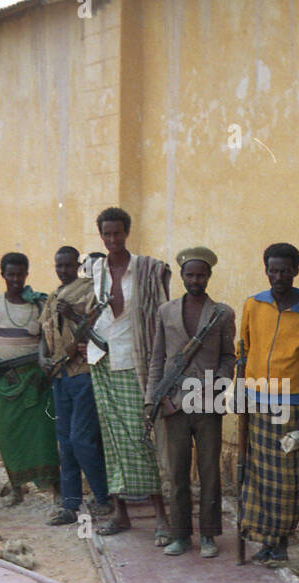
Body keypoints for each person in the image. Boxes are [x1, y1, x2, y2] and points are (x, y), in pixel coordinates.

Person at [86, 207, 171, 540]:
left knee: (140, 438)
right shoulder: (96, 269)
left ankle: (161, 516)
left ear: (127, 232)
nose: (112, 240)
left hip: (137, 361)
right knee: (112, 440)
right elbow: (96, 310)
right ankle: (121, 513)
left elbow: (162, 310)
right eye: (106, 234)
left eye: (117, 233)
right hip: (102, 361)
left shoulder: (147, 269)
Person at [146, 246, 236, 558]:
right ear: (182, 276)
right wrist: (154, 400)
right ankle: (180, 535)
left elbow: (229, 359)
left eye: (201, 275)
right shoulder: (166, 312)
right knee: (177, 473)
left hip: (208, 404)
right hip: (174, 405)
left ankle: (209, 535)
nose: (195, 279)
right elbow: (157, 359)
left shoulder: (222, 313)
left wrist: (213, 388)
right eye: (190, 274)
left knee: (210, 472)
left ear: (209, 276)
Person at [238, 242, 299, 564]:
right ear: (266, 270)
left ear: (296, 270)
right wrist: (240, 390)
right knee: (258, 476)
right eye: (273, 270)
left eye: (285, 270)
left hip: (289, 405)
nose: (279, 276)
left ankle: (282, 540)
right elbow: (243, 348)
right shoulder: (253, 305)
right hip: (257, 402)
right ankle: (265, 540)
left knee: (286, 479)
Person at [0, 252, 60, 508]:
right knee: (8, 435)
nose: (15, 279)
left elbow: (48, 341)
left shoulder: (40, 304)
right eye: (10, 274)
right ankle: (16, 489)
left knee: (43, 436)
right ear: (2, 274)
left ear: (27, 274)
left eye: (20, 274)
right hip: (5, 382)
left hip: (35, 381)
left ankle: (56, 489)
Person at [40, 248, 112, 525]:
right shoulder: (53, 295)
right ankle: (70, 504)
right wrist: (42, 360)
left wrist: (71, 314)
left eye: (68, 265)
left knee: (82, 440)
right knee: (66, 443)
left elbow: (94, 327)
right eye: (59, 265)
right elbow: (44, 332)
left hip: (83, 373)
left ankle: (103, 497)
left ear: (78, 266)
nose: (63, 270)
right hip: (60, 375)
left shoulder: (89, 291)